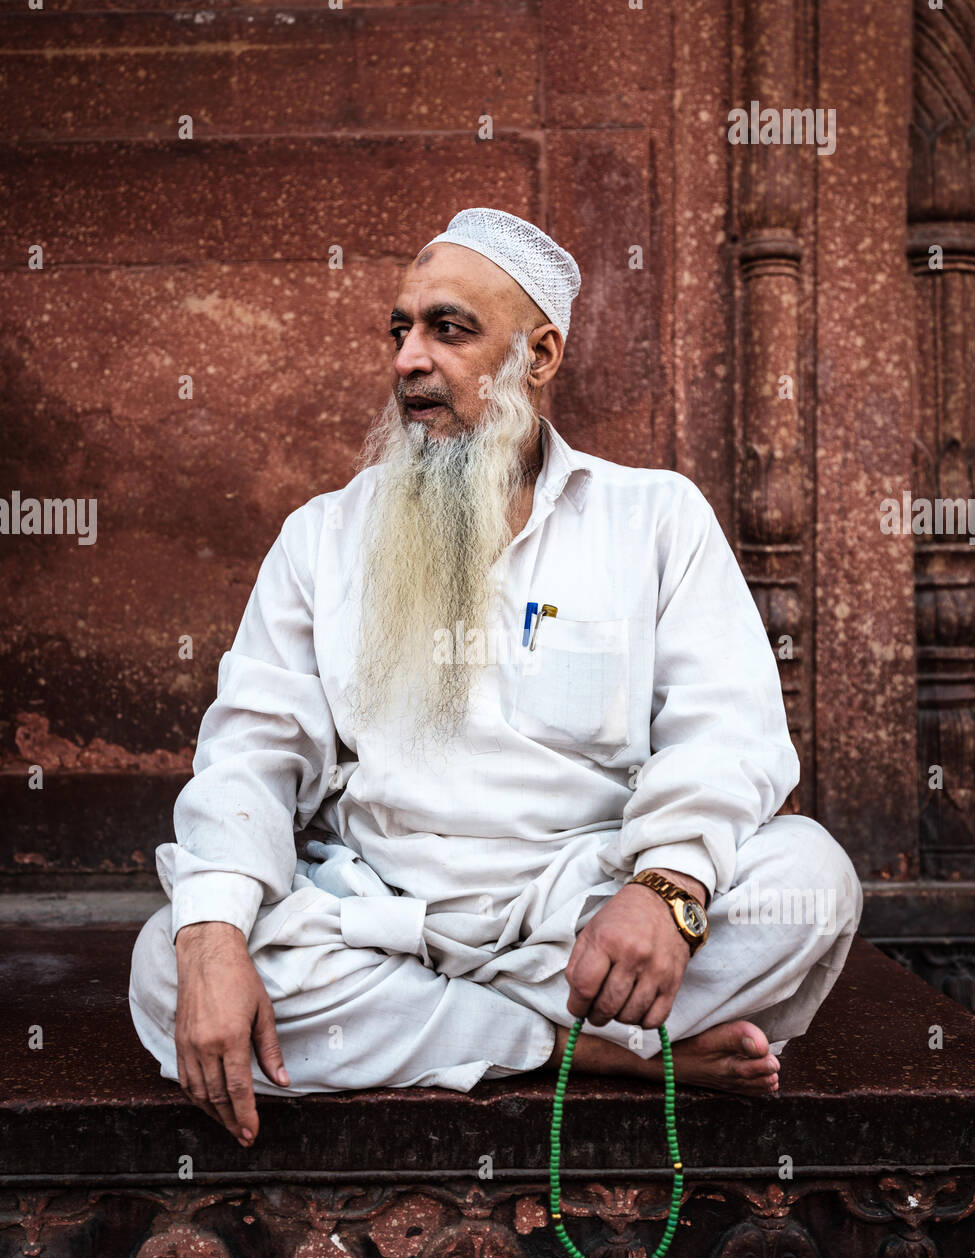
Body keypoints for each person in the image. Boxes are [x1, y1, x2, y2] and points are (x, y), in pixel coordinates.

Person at [129, 207, 862, 1148]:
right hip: (377, 910)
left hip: (581, 907)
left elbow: (729, 733)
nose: (407, 361)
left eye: (448, 328)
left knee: (808, 881)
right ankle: (590, 1052)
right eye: (400, 330)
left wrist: (666, 888)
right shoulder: (323, 535)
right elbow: (252, 752)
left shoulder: (653, 519)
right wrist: (214, 938)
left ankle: (448, 1027)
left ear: (540, 355)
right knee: (170, 963)